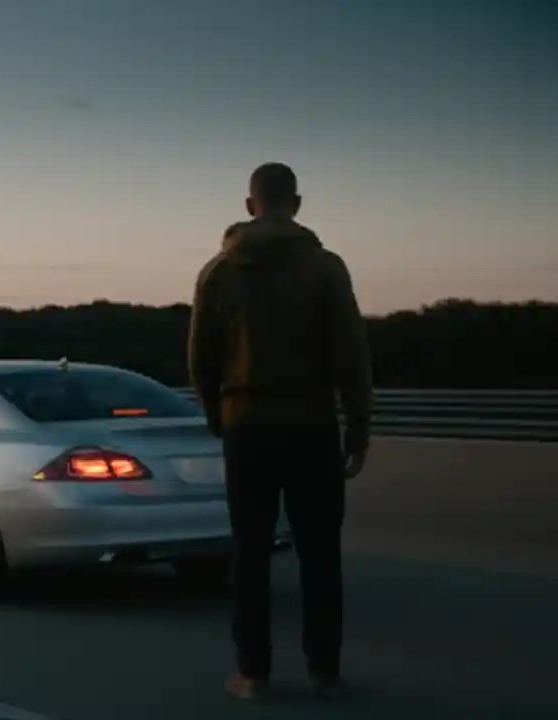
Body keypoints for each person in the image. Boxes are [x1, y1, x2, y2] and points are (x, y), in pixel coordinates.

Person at [188, 162, 373, 701]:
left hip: (247, 426)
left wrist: (214, 412)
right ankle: (324, 670)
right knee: (320, 553)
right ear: (297, 203)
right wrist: (357, 427)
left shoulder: (219, 272)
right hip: (312, 424)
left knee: (248, 551)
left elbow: (201, 354)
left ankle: (253, 673)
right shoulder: (325, 268)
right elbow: (352, 353)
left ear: (249, 206)